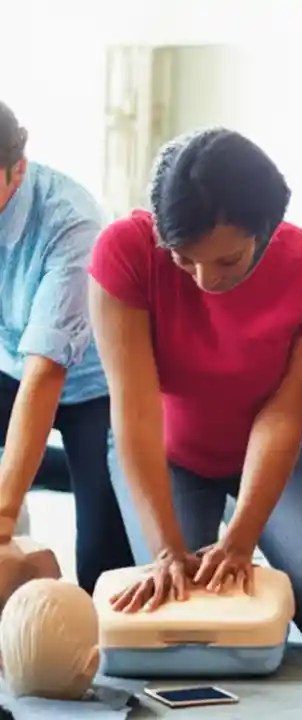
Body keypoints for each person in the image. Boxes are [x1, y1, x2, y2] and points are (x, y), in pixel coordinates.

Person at [87, 128, 302, 650]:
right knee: (181, 606)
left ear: (266, 229)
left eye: (227, 261)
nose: (203, 280)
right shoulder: (123, 250)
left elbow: (284, 413)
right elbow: (135, 409)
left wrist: (240, 540)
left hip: (288, 442)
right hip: (171, 450)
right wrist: (166, 550)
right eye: (183, 258)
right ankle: (231, 523)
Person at [0, 101, 133, 593]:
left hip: (91, 389)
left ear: (18, 170)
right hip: (9, 368)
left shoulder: (72, 224)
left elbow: (45, 375)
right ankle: (50, 468)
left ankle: (155, 480)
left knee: (104, 574)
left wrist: (3, 518)